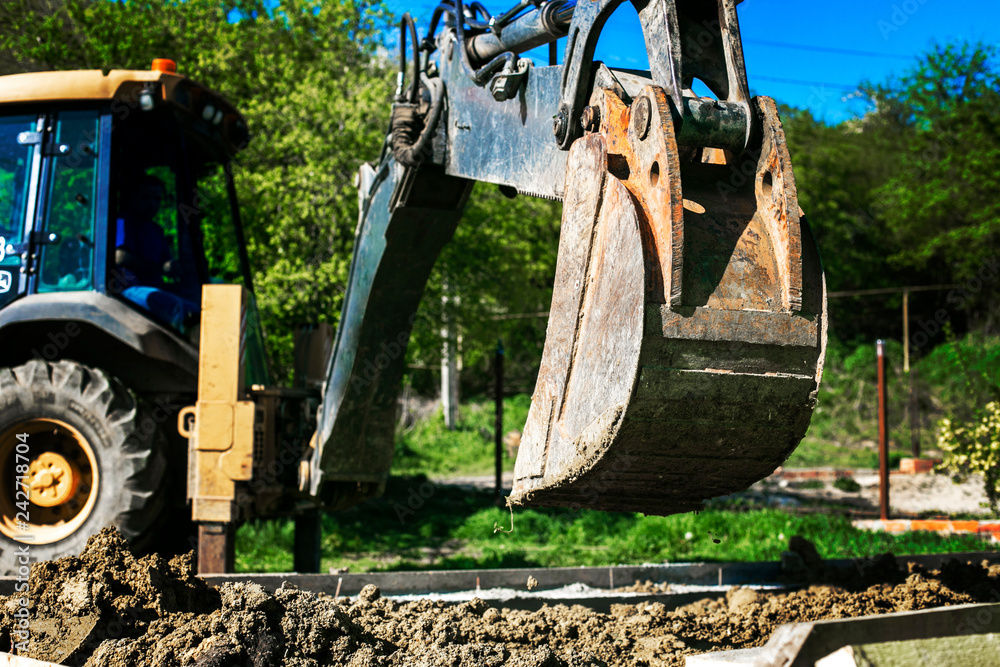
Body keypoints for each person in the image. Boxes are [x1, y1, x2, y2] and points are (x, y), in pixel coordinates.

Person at [115, 173, 199, 331]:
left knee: (196, 304)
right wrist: (161, 269)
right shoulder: (123, 221)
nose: (152, 204)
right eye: (146, 198)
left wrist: (177, 268)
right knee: (175, 307)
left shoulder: (156, 230)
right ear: (134, 197)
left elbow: (167, 264)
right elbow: (119, 257)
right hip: (128, 290)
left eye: (157, 199)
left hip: (154, 287)